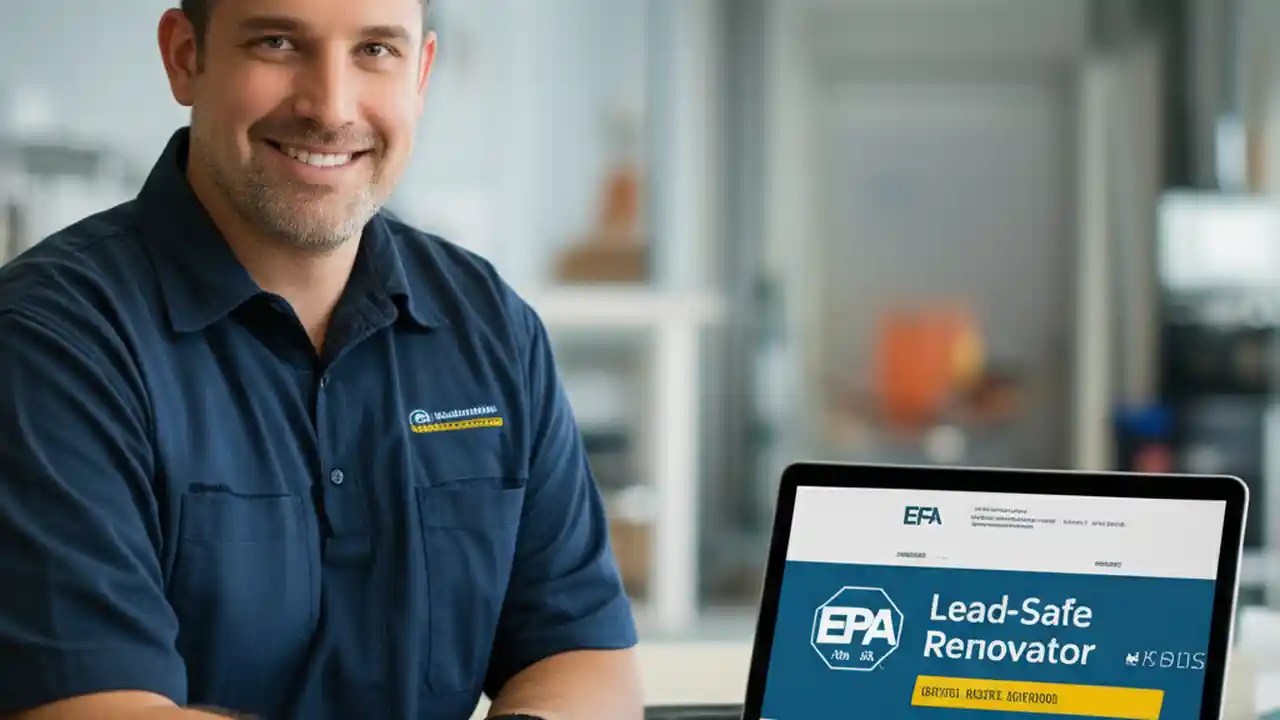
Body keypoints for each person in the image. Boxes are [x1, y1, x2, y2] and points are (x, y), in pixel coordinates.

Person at [0, 0, 643, 718]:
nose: (330, 107)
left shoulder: (489, 325)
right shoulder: (51, 343)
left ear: (421, 72)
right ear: (186, 57)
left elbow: (582, 657)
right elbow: (94, 711)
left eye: (375, 51)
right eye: (278, 43)